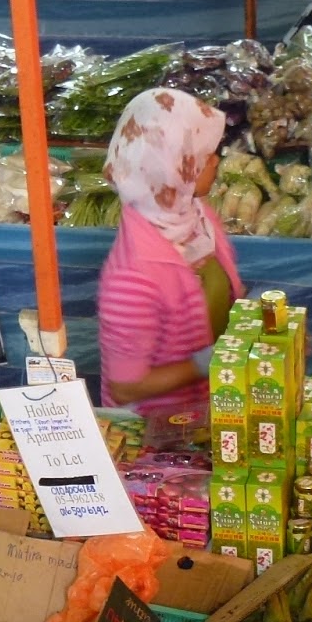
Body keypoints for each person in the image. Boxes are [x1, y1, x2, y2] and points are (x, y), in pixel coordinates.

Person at [97, 87, 244, 417]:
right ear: (172, 168)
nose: (216, 160)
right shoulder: (132, 278)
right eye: (203, 155)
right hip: (158, 440)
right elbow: (126, 387)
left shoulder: (196, 217)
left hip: (211, 414)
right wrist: (207, 361)